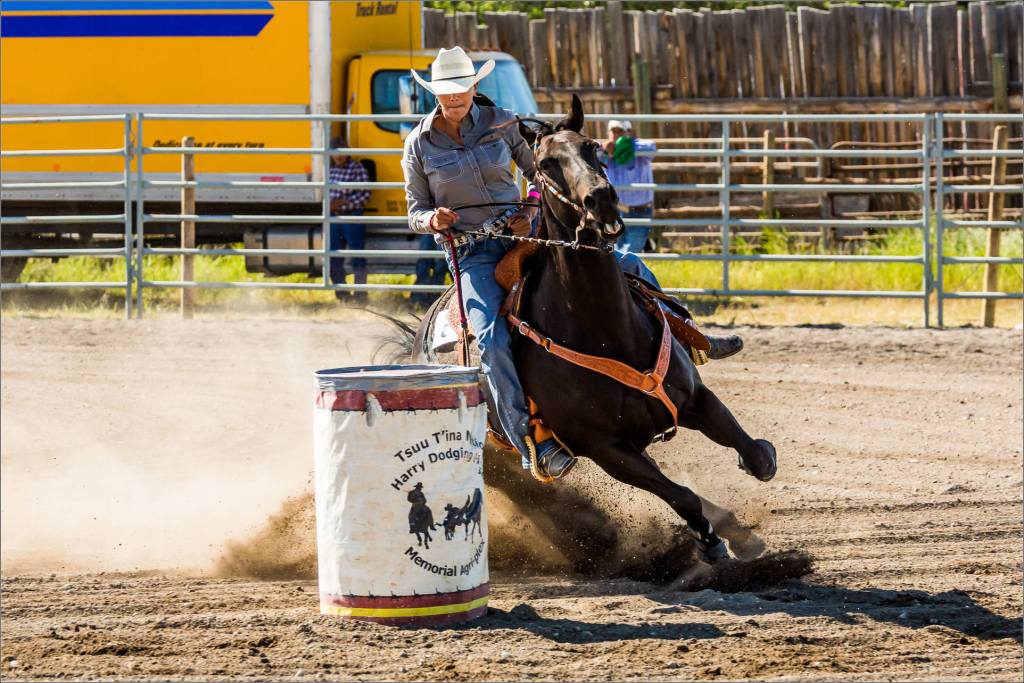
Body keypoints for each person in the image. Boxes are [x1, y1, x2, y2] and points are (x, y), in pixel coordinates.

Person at [401, 47, 741, 481]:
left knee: (627, 262)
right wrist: (432, 218)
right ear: (436, 94)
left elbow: (540, 171)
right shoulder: (419, 144)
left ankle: (692, 337)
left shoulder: (500, 121)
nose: (454, 98)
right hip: (475, 250)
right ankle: (531, 438)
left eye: (461, 89)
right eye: (446, 92)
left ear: (473, 87)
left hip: (528, 231)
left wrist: (531, 206)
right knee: (486, 336)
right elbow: (415, 210)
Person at [602, 119, 656, 254]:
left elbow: (651, 147)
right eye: (613, 131)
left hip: (640, 211)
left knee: (630, 254)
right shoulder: (606, 150)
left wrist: (626, 146)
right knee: (616, 253)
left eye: (620, 131)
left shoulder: (638, 148)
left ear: (629, 133)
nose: (615, 135)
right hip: (615, 211)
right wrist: (605, 150)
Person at [328, 136, 371, 302]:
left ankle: (360, 294)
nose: (338, 157)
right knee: (333, 255)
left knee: (357, 255)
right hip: (333, 217)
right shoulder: (329, 169)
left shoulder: (356, 168)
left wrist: (345, 202)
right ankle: (342, 294)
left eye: (342, 153)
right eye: (335, 153)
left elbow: (365, 194)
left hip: (352, 216)